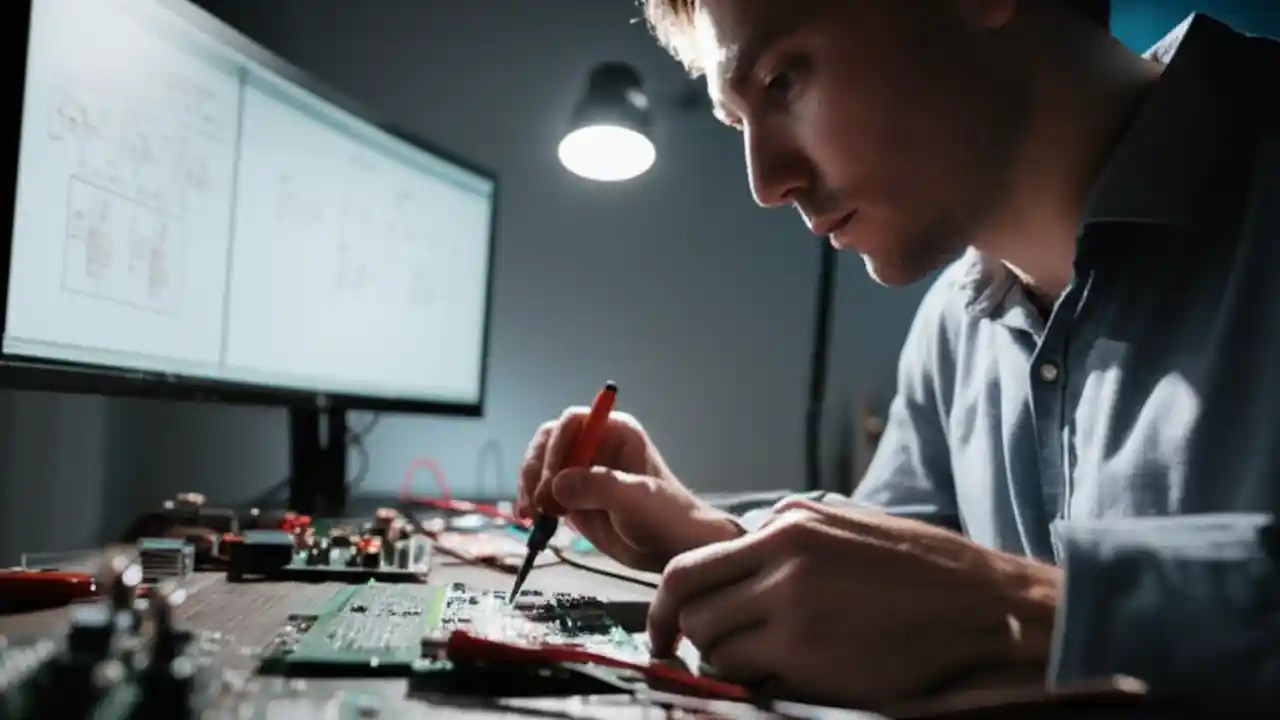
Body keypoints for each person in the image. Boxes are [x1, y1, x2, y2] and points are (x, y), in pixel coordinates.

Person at [517, 0, 1280, 710]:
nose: (766, 183)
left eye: (783, 78)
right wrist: (703, 533)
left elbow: (966, 600)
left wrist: (1030, 615)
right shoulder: (955, 324)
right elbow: (895, 584)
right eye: (734, 120)